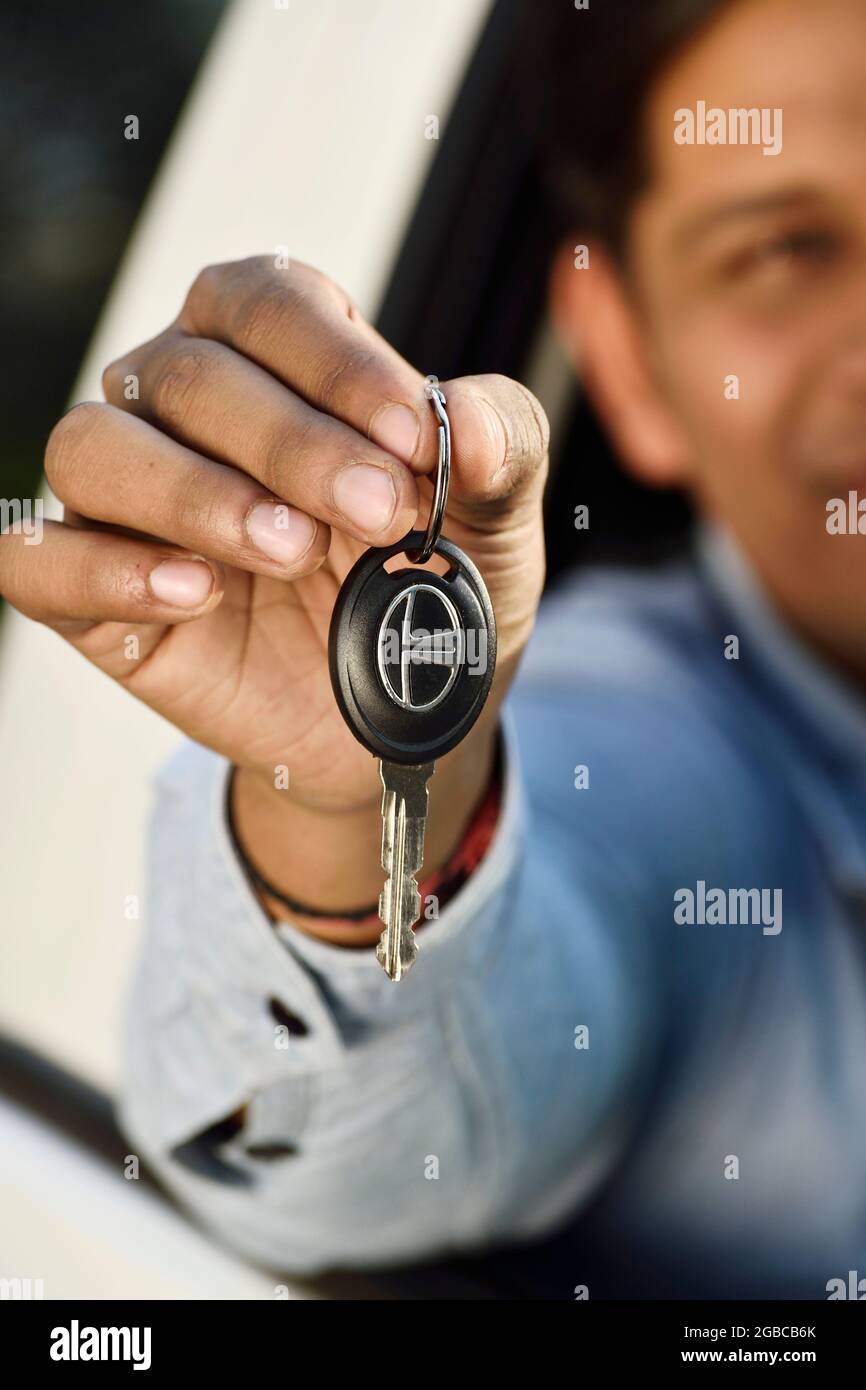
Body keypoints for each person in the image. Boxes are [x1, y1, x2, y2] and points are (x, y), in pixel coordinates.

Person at [3, 0, 866, 1297]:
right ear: (622, 361)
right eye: (785, 249)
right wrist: (351, 814)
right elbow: (404, 1111)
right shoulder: (669, 760)